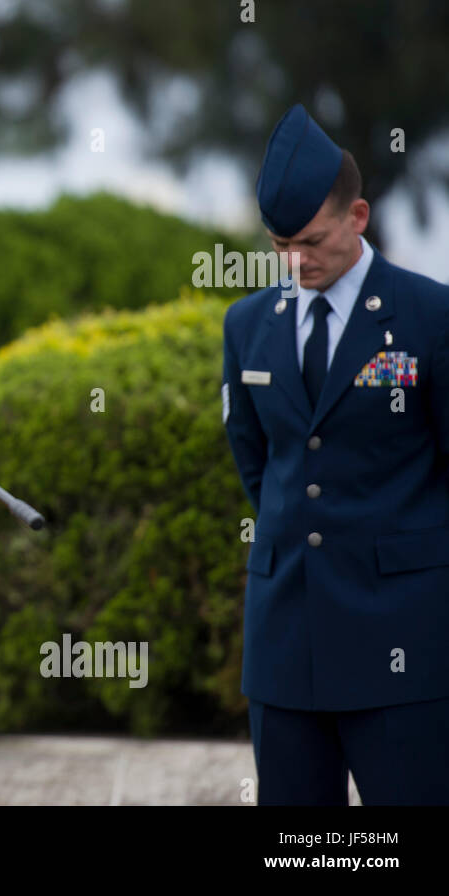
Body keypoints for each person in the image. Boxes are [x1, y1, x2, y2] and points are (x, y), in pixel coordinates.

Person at [223, 104, 449, 805]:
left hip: (401, 638)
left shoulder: (428, 317)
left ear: (357, 215)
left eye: (313, 241)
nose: (296, 261)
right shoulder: (249, 324)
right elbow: (256, 457)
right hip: (286, 639)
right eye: (280, 244)